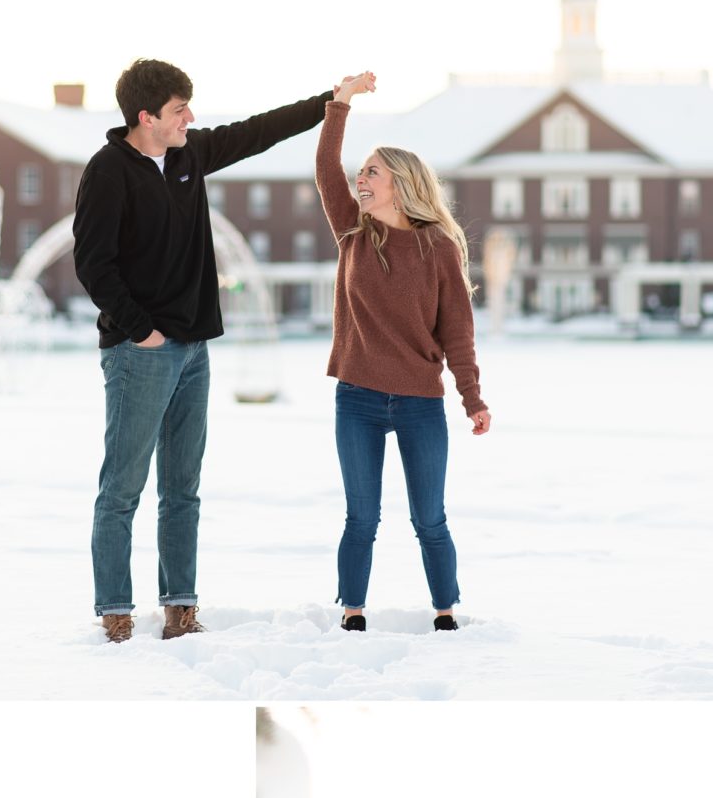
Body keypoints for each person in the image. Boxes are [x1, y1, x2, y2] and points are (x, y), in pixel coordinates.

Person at [73, 57, 336, 643]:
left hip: (194, 349)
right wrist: (142, 329)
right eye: (178, 110)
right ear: (146, 117)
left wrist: (330, 100)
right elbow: (93, 264)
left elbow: (256, 131)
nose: (189, 118)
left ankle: (180, 610)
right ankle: (116, 614)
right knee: (122, 487)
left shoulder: (190, 156)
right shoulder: (108, 171)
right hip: (140, 352)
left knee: (183, 488)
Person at [314, 72, 491, 632]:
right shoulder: (353, 234)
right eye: (362, 171)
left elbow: (457, 331)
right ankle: (353, 611)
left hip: (419, 402)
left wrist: (472, 398)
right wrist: (339, 105)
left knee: (429, 518)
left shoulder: (438, 247)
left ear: (400, 183)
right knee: (361, 517)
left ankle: (444, 612)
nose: (361, 179)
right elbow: (325, 171)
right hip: (358, 398)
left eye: (372, 172)